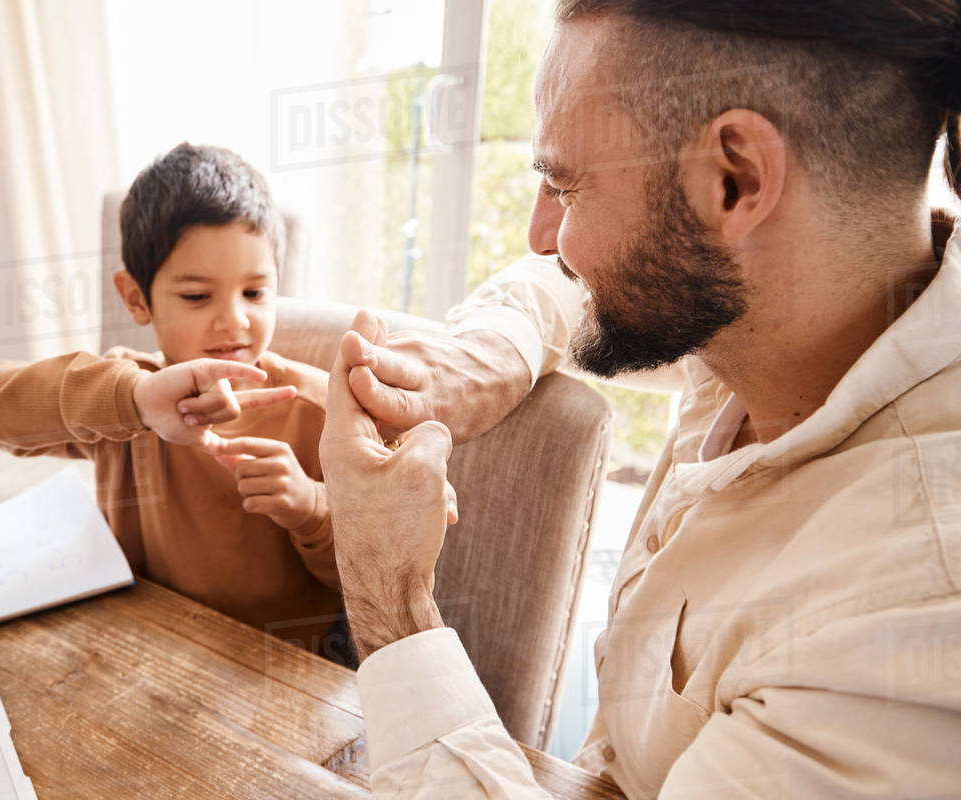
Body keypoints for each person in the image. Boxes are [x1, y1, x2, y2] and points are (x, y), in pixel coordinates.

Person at [319, 2, 961, 797]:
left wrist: (392, 598)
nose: (539, 233)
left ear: (735, 181)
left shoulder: (904, 628)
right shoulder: (786, 307)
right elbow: (552, 287)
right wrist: (488, 358)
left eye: (566, 185)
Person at [0, 142, 349, 660]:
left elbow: (369, 577)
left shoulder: (319, 410)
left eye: (255, 293)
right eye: (196, 296)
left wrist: (311, 507)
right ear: (136, 298)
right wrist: (134, 402)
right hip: (147, 651)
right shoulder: (121, 395)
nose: (234, 320)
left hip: (279, 670)